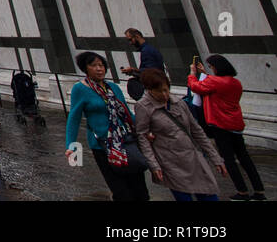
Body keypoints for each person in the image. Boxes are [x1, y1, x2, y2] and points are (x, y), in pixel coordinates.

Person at [65, 51, 149, 201]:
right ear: (85, 68)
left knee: (140, 189)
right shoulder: (80, 89)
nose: (99, 69)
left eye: (101, 65)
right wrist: (70, 145)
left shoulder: (112, 87)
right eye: (94, 65)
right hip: (102, 145)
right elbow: (74, 117)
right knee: (121, 191)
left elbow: (127, 113)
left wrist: (146, 129)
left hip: (126, 142)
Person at [134, 68, 225, 201]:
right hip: (170, 161)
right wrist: (154, 165)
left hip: (192, 157)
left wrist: (215, 157)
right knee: (184, 197)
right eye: (159, 91)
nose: (164, 94)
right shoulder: (143, 106)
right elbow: (142, 137)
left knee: (208, 195)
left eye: (166, 89)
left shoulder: (178, 102)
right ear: (149, 89)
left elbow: (197, 130)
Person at [188, 55, 265, 201]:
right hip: (235, 123)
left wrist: (192, 73)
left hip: (220, 124)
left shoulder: (215, 82)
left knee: (228, 159)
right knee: (244, 157)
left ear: (217, 67)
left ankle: (242, 191)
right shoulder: (236, 83)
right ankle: (259, 190)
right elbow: (217, 85)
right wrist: (206, 74)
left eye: (212, 67)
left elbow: (195, 87)